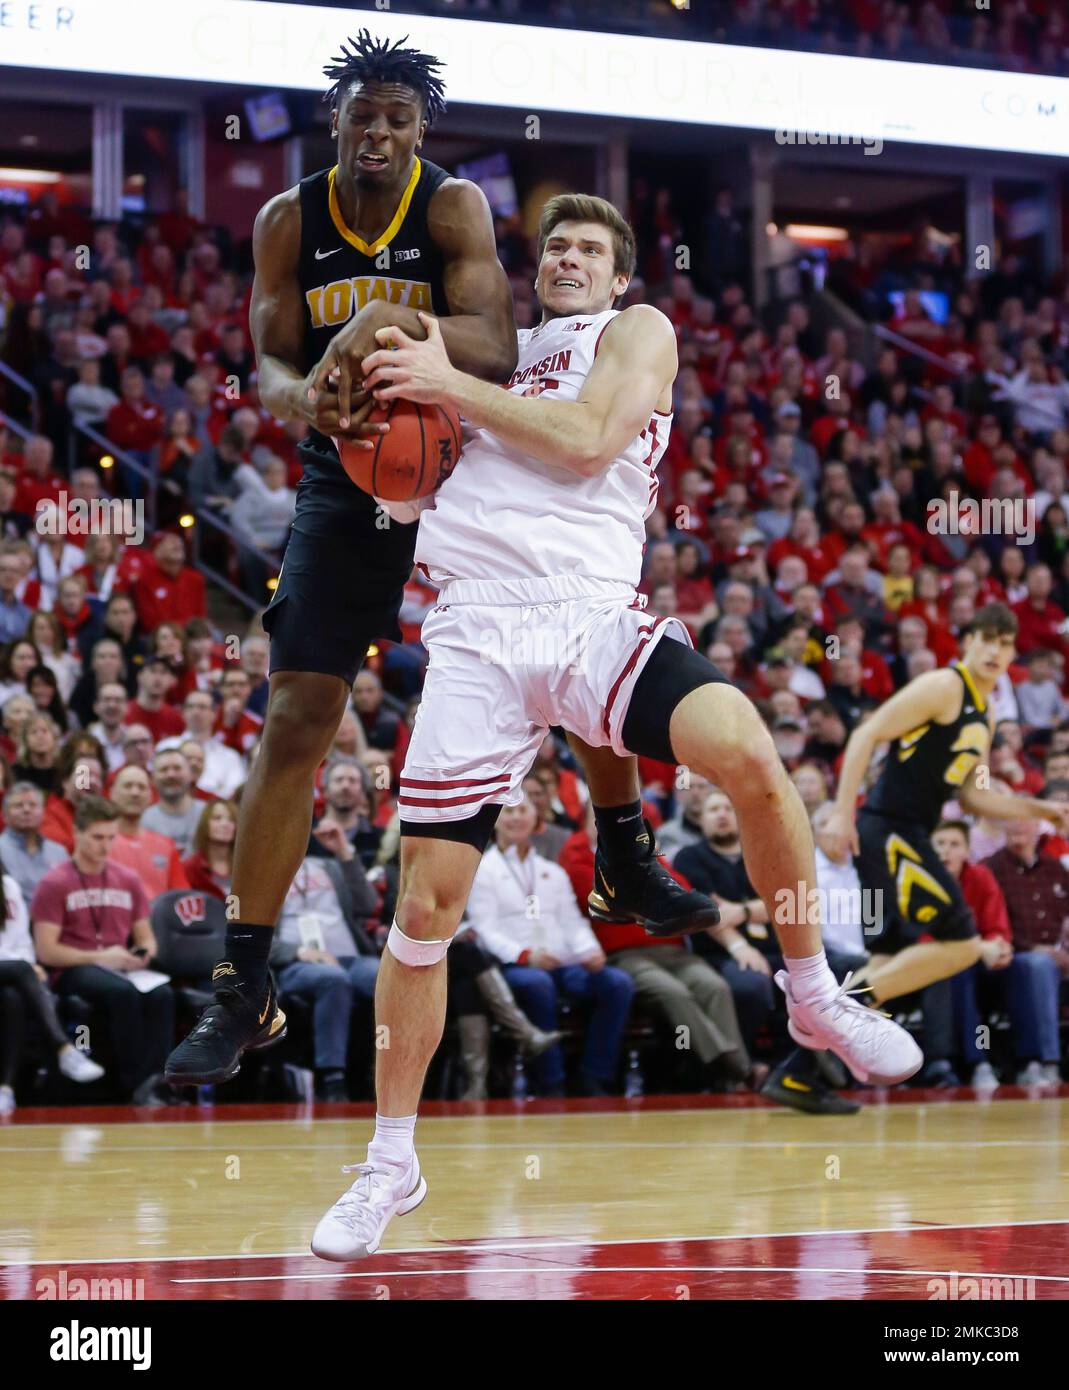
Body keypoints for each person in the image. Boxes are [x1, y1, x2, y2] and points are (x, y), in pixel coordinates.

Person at [307, 190, 921, 1259]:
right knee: (421, 910)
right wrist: (370, 429)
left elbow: (592, 440)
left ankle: (813, 991)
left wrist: (446, 385)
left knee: (748, 752)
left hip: (589, 617)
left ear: (620, 274)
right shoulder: (483, 347)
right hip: (476, 633)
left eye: (591, 249)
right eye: (555, 248)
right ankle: (388, 1160)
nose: (569, 261)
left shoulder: (633, 334)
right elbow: (400, 493)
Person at [165, 33, 716, 1097]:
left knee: (575, 617)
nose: (377, 134)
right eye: (361, 117)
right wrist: (299, 398)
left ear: (420, 133)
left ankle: (620, 846)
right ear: (335, 122)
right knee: (297, 714)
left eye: (397, 121)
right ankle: (245, 983)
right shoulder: (288, 221)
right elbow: (270, 362)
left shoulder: (451, 205)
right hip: (353, 475)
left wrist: (379, 319)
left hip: (463, 458)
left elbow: (497, 349)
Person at [823, 603, 1069, 1014]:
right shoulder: (944, 685)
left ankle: (805, 1063)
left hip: (906, 831)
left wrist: (1040, 809)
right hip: (888, 827)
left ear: (1012, 654)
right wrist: (839, 813)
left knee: (892, 951)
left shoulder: (986, 714)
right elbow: (867, 733)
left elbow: (975, 796)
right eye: (987, 640)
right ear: (968, 642)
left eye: (1005, 644)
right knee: (962, 943)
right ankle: (837, 1011)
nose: (995, 651)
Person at [460, 797, 634, 1098]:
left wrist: (589, 951)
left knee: (616, 983)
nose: (515, 818)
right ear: (496, 820)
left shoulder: (551, 870)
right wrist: (524, 956)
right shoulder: (482, 870)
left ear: (536, 820)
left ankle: (595, 1075)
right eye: (508, 812)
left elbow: (572, 921)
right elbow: (484, 929)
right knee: (537, 985)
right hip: (515, 965)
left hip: (562, 961)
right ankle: (550, 1080)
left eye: (522, 811)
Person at [31, 797, 175, 1104]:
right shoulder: (54, 882)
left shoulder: (127, 879)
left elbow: (147, 937)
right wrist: (99, 957)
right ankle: (130, 1084)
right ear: (77, 833)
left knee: (163, 994)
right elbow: (46, 951)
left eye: (112, 838)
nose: (105, 846)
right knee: (120, 993)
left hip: (119, 966)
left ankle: (156, 1082)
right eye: (98, 837)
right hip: (72, 968)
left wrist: (143, 953)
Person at [269, 822, 381, 1103]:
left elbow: (368, 904)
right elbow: (247, 934)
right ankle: (333, 1078)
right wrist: (298, 952)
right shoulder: (260, 873)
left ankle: (393, 1069)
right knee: (333, 980)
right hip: (297, 964)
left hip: (350, 958)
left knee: (388, 977)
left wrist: (344, 852)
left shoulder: (329, 866)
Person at [0, 863, 104, 1114]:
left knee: (12, 998)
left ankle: (5, 1090)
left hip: (8, 972)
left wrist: (23, 961)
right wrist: (21, 965)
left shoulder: (8, 886)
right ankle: (64, 1048)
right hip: (11, 969)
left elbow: (22, 939)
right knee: (23, 971)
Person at [107, 764, 189, 901]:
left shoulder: (166, 845)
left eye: (142, 787)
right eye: (128, 786)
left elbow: (181, 898)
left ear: (151, 796)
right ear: (112, 793)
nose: (135, 793)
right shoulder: (97, 840)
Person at [0, 781, 70, 906]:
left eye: (33, 805)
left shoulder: (59, 852)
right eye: (18, 805)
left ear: (43, 812)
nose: (26, 810)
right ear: (4, 815)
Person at [141, 748, 203, 855]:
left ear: (190, 774)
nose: (171, 774)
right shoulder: (143, 821)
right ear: (152, 778)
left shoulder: (207, 814)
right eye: (164, 769)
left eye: (177, 768)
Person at [182, 800, 238, 901]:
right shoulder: (190, 868)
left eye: (231, 820)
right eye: (217, 818)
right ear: (205, 824)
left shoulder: (246, 867)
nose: (224, 824)